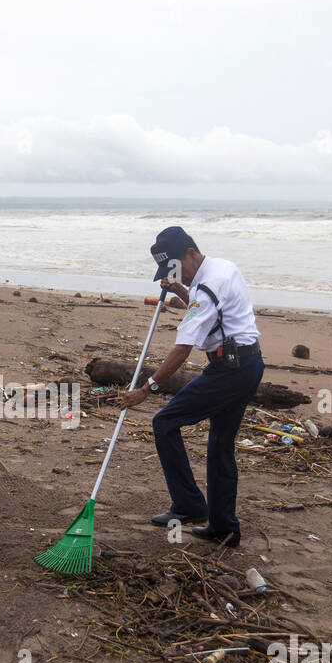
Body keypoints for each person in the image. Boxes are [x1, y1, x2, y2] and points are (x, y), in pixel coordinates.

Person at [118, 226, 264, 547]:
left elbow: (184, 346)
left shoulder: (210, 284)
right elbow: (208, 310)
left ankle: (189, 505)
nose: (176, 274)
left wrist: (147, 389)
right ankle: (224, 527)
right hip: (246, 364)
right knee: (220, 444)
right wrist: (182, 293)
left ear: (190, 253)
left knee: (164, 421)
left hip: (231, 370)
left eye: (175, 267)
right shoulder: (221, 269)